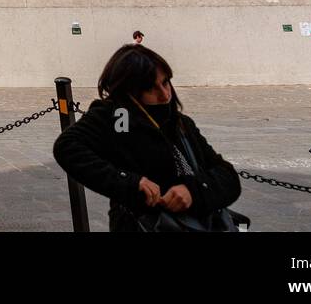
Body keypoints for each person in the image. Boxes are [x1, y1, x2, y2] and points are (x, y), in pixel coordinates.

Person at [53, 43, 244, 232]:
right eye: (151, 88)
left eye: (165, 82)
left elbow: (227, 177)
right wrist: (130, 182)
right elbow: (67, 146)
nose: (165, 94)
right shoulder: (117, 116)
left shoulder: (181, 123)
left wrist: (193, 192)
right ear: (130, 92)